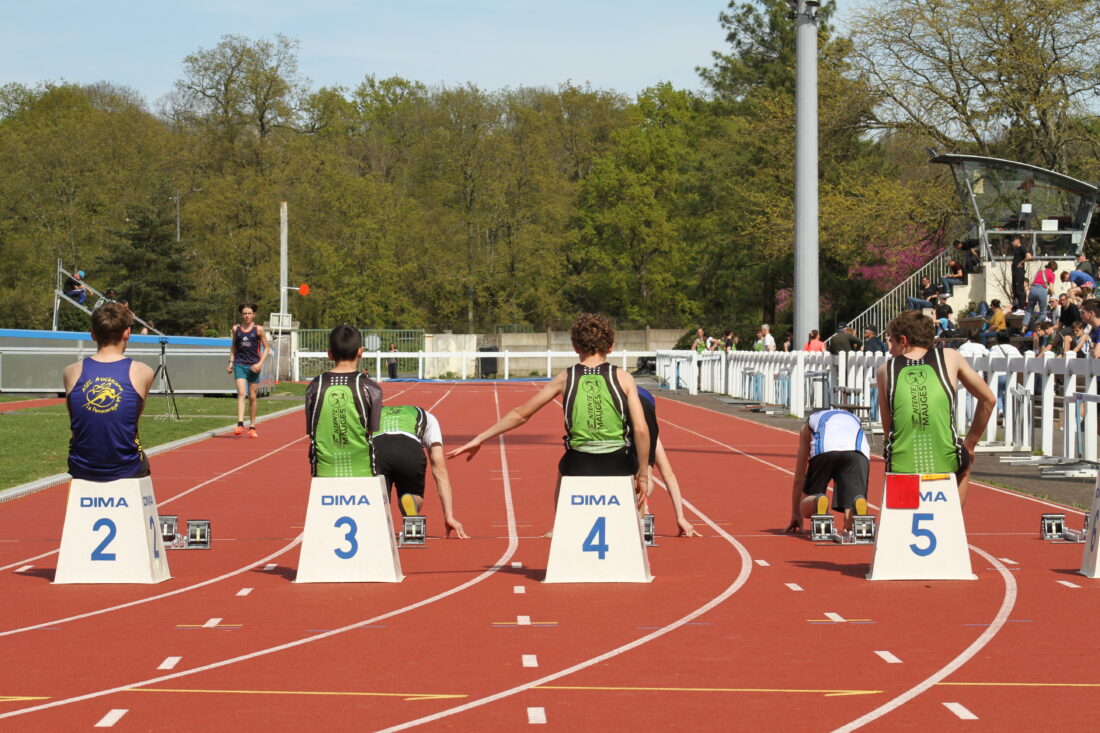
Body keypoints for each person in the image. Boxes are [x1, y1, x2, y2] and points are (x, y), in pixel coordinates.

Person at [448, 313, 650, 510]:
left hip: (579, 462)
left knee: (563, 471)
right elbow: (641, 430)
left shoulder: (565, 378)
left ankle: (561, 526)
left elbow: (521, 414)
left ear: (574, 346)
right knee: (636, 498)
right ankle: (639, 534)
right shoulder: (624, 378)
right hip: (619, 461)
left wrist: (480, 438)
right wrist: (642, 475)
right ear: (611, 346)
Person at [876, 311, 995, 505]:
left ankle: (900, 516)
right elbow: (989, 399)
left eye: (891, 342)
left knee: (893, 450)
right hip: (947, 460)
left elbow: (889, 430)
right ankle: (954, 519)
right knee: (965, 466)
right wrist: (971, 443)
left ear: (903, 340)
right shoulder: (950, 357)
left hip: (902, 464)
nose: (889, 351)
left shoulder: (884, 370)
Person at [63, 302, 154, 481]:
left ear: (93, 334)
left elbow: (77, 424)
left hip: (81, 467)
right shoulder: (143, 371)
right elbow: (132, 419)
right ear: (127, 333)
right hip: (128, 467)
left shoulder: (71, 371)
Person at [371, 405, 468, 538]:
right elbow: (439, 467)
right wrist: (449, 515)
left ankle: (376, 530)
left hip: (378, 448)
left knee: (379, 498)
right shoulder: (429, 417)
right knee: (411, 496)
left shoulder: (374, 413)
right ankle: (413, 527)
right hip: (410, 449)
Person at [305, 324, 383, 477]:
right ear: (360, 351)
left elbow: (312, 431)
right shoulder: (371, 388)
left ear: (330, 354)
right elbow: (371, 429)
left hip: (323, 470)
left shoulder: (314, 386)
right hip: (362, 469)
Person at [784, 408, 871, 535]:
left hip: (825, 449)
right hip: (858, 452)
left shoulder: (807, 425)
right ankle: (855, 508)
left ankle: (817, 500)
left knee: (807, 505)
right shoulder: (853, 418)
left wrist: (796, 513)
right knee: (852, 505)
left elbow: (799, 476)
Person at [634, 387, 699, 537]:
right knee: (645, 477)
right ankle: (642, 513)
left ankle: (642, 513)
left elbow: (668, 474)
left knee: (642, 477)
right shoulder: (651, 435)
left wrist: (681, 517)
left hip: (632, 399)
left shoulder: (649, 436)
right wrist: (680, 517)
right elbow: (668, 474)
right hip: (639, 400)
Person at [226, 302, 270, 437]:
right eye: (244, 313)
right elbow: (234, 347)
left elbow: (267, 347)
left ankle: (252, 426)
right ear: (241, 315)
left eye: (249, 313)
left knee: (252, 396)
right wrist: (231, 362)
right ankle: (240, 424)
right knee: (241, 392)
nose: (247, 316)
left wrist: (260, 364)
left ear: (254, 315)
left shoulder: (258, 329)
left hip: (254, 366)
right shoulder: (236, 329)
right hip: (239, 364)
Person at [1023, 260, 1058, 330]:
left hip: (1032, 289)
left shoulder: (1040, 272)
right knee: (1043, 312)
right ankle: (1037, 326)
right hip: (1042, 290)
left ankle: (1024, 326)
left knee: (1029, 310)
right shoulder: (1052, 274)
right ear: (1054, 269)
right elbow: (1051, 288)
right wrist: (1054, 296)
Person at [1010, 236, 1031, 310]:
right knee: (1015, 290)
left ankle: (1021, 308)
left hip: (1019, 272)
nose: (1012, 243)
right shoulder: (1016, 249)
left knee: (1019, 290)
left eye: (1013, 241)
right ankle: (1017, 306)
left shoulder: (1022, 248)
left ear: (1017, 240)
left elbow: (1029, 257)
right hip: (1015, 272)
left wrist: (1021, 262)